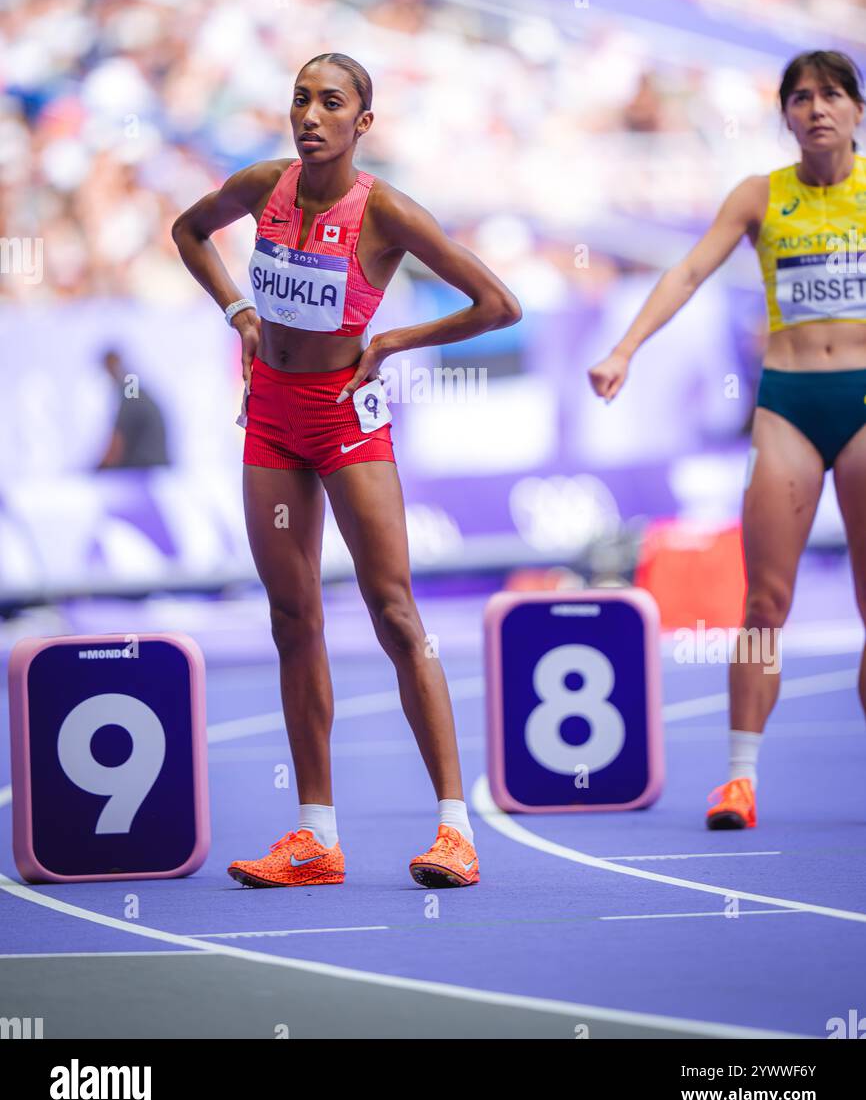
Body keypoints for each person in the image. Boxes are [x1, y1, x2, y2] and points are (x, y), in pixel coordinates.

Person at [172, 52, 522, 886]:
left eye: (332, 103)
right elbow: (188, 232)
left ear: (363, 123)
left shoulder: (387, 210)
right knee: (292, 619)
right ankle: (316, 838)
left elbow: (500, 305)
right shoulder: (263, 186)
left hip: (345, 418)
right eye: (301, 99)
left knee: (395, 612)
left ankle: (454, 830)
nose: (311, 115)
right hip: (272, 419)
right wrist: (239, 313)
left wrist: (398, 339)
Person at [588, 50, 866, 830]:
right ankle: (739, 779)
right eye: (801, 97)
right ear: (784, 115)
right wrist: (626, 348)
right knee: (764, 601)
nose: (817, 108)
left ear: (856, 110)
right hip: (788, 406)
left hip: (865, 401)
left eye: (833, 95)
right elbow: (685, 273)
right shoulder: (758, 196)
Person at [96, 350, 169, 469]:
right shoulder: (133, 386)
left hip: (145, 466)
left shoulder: (130, 389)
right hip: (152, 464)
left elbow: (118, 439)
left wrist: (101, 467)